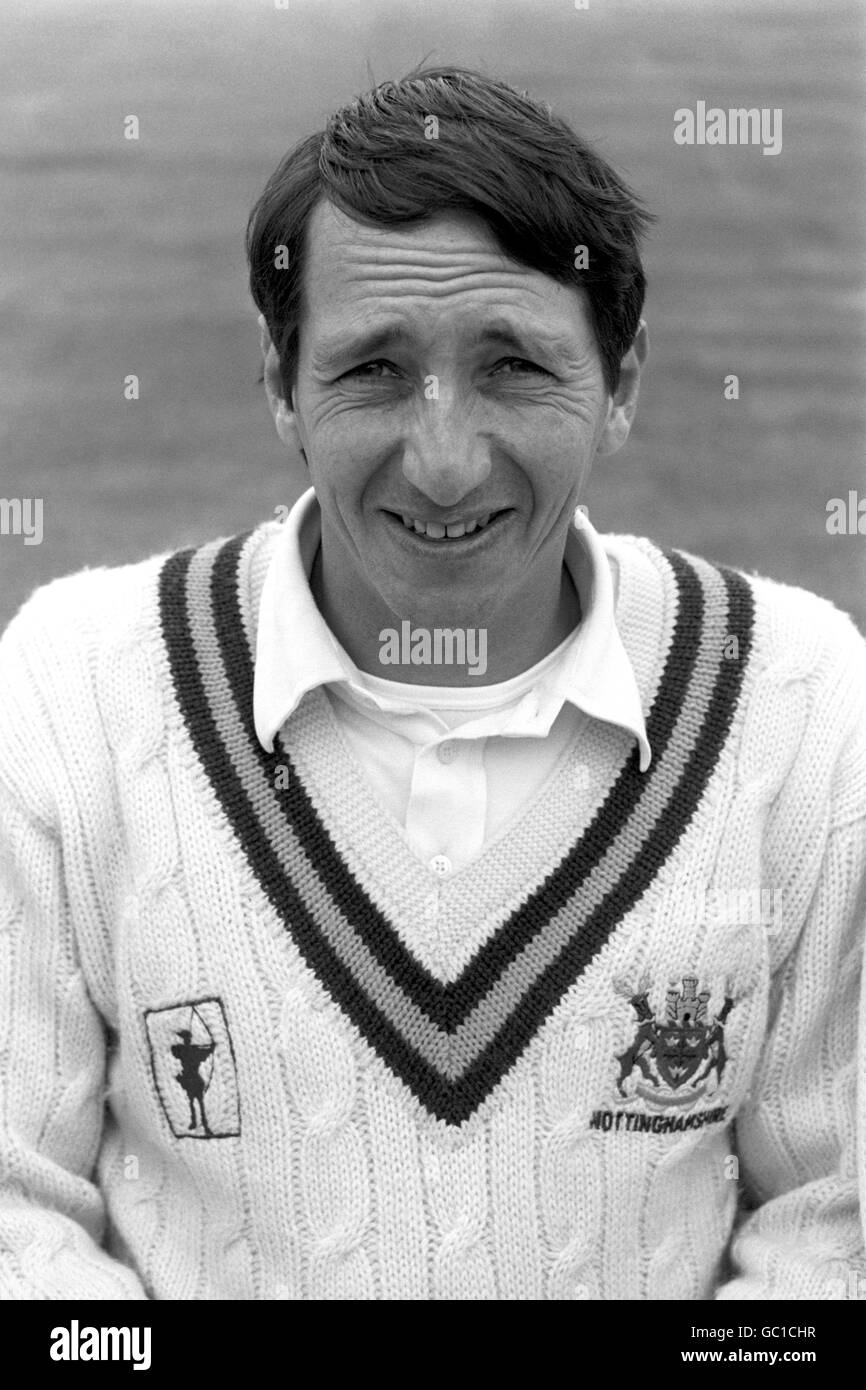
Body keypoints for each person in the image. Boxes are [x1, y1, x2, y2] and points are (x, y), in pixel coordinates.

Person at [1, 64, 864, 1301]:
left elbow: (832, 1231)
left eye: (513, 366)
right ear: (278, 383)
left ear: (618, 385)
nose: (446, 463)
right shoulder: (73, 686)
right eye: (372, 370)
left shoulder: (794, 695)